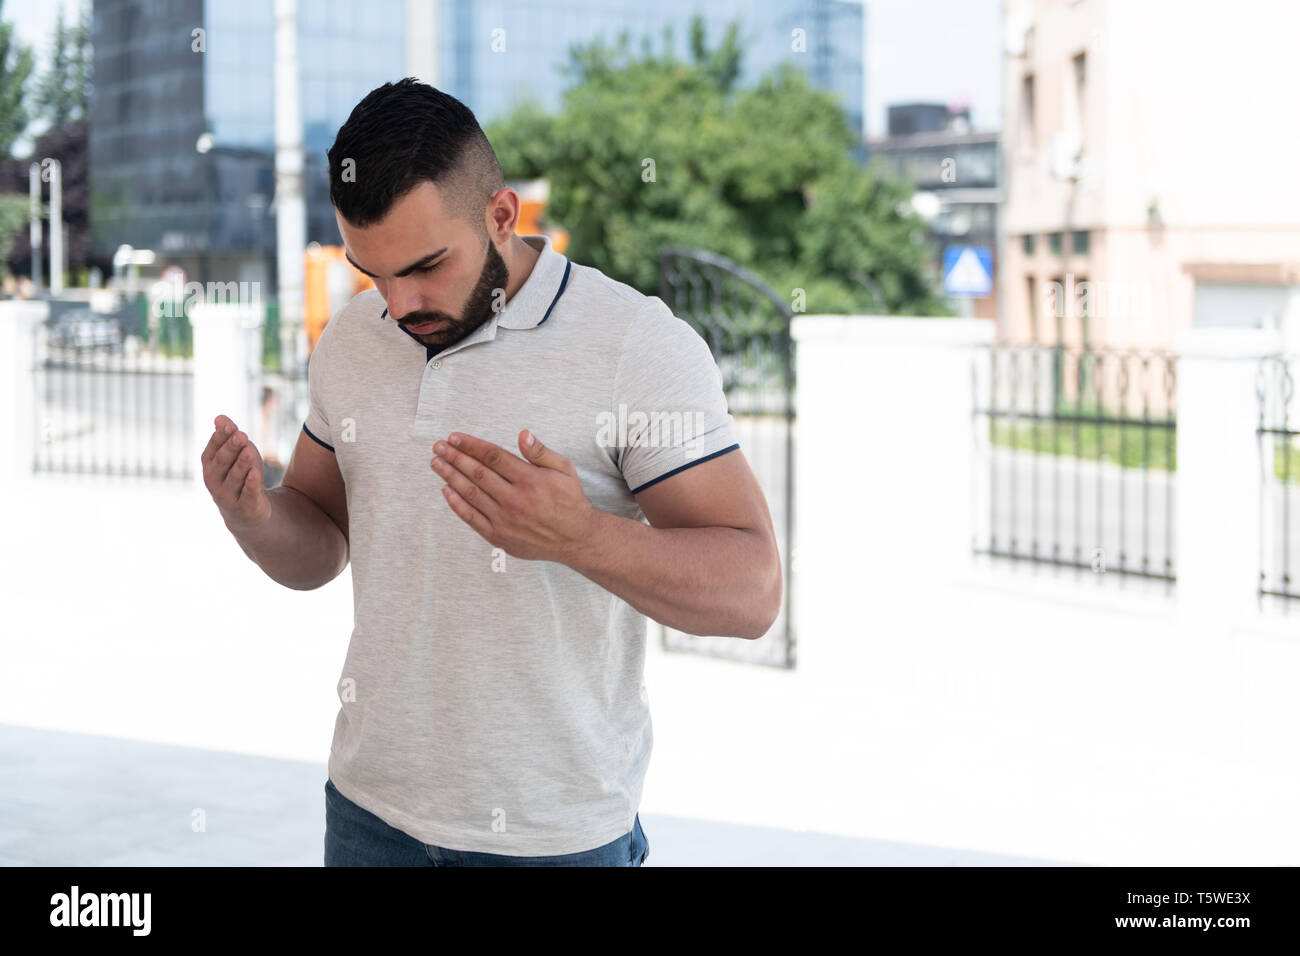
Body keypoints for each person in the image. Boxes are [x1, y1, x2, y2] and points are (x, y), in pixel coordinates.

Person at [200, 78, 781, 867]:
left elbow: (753, 593)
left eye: (426, 265)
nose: (400, 302)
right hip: (370, 814)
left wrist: (580, 538)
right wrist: (257, 517)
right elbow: (321, 543)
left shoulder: (632, 345)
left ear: (501, 216)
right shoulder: (352, 341)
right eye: (373, 271)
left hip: (556, 837)